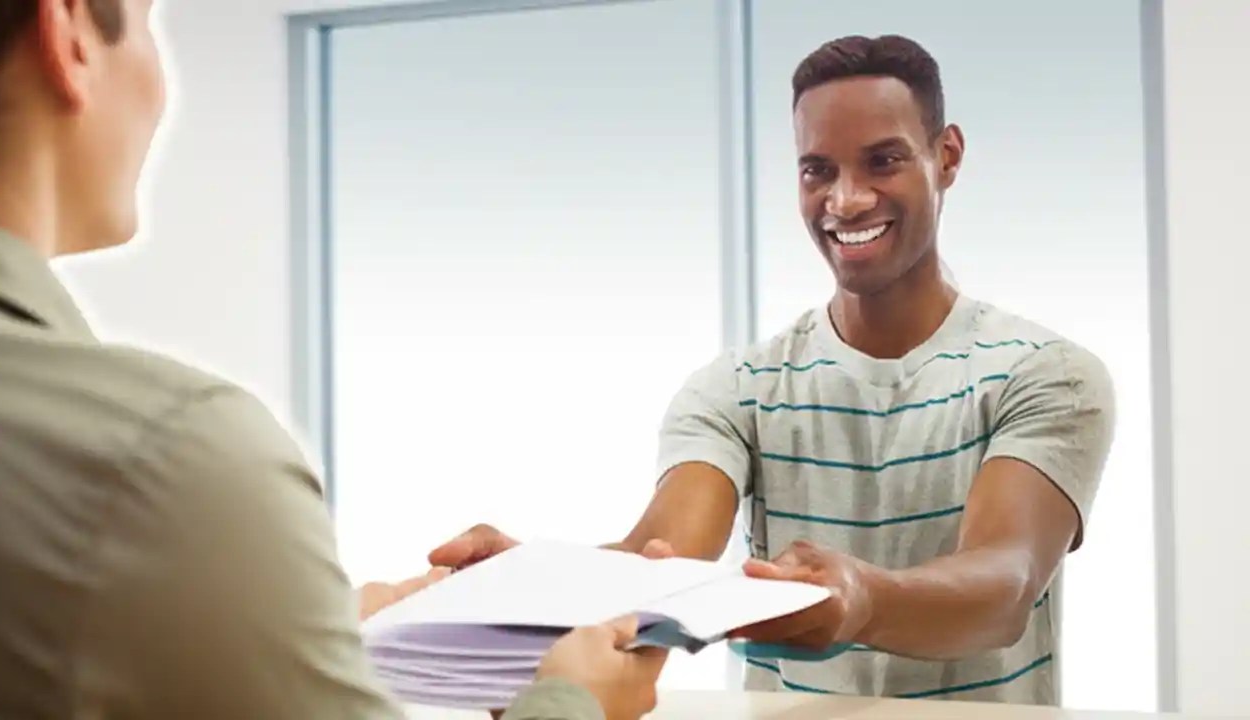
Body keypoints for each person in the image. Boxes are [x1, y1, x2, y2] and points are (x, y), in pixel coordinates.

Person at [0, 1, 664, 718]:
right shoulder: (165, 457)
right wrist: (571, 702)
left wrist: (301, 635)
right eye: (148, 21)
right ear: (71, 35)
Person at [430, 34, 1115, 706]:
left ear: (947, 156)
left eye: (882, 161)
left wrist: (863, 598)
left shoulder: (1048, 376)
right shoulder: (737, 391)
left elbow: (1004, 586)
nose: (846, 200)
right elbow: (660, 559)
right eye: (818, 171)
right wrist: (529, 585)